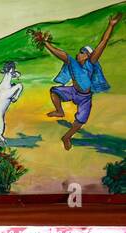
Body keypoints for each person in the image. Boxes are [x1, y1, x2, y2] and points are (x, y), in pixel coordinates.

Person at [39, 14, 119, 150]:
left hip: (85, 98)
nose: (79, 53)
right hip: (73, 91)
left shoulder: (90, 63)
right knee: (54, 92)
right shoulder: (73, 63)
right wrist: (46, 43)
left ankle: (67, 137)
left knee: (80, 120)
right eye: (80, 51)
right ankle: (59, 111)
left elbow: (103, 43)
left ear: (88, 56)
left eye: (83, 52)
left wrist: (110, 25)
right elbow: (61, 54)